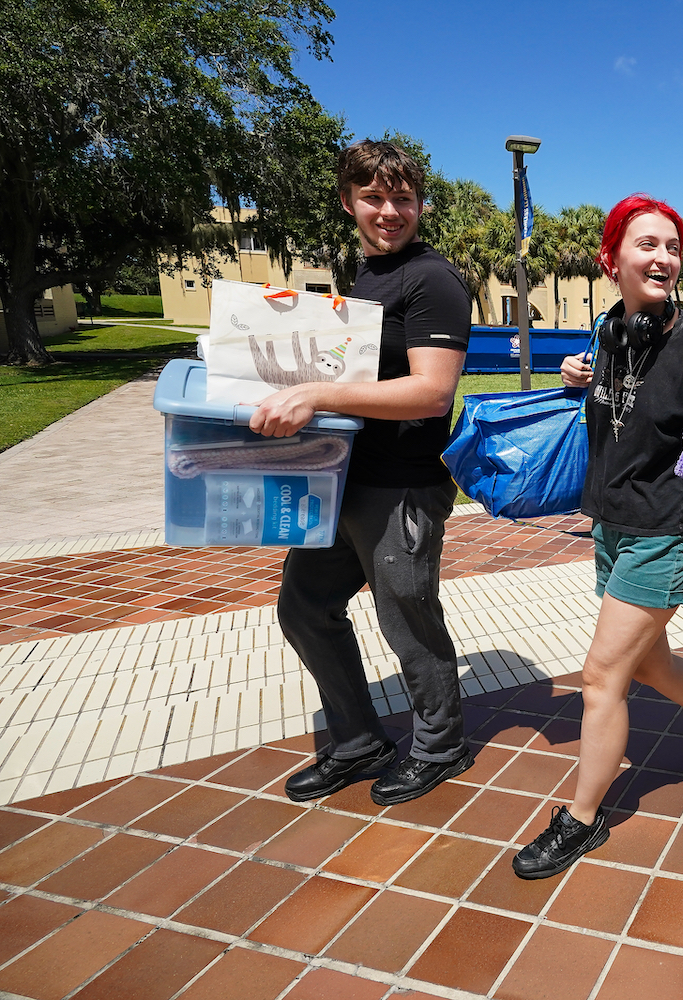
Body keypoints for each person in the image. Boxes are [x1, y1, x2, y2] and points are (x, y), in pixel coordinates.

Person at [512, 195, 683, 879]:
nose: (663, 257)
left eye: (672, 246)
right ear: (611, 259)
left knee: (601, 677)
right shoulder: (608, 332)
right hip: (614, 526)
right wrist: (575, 381)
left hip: (663, 532)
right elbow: (620, 417)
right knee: (651, 665)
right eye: (646, 244)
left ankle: (582, 819)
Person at [253, 140, 473, 805]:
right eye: (374, 197)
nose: (389, 211)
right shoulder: (363, 278)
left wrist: (316, 397)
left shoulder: (430, 278)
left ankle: (440, 746)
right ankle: (358, 743)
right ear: (347, 200)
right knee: (304, 605)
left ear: (420, 203)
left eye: (402, 198)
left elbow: (431, 391)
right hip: (343, 477)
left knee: (407, 620)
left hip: (401, 483)